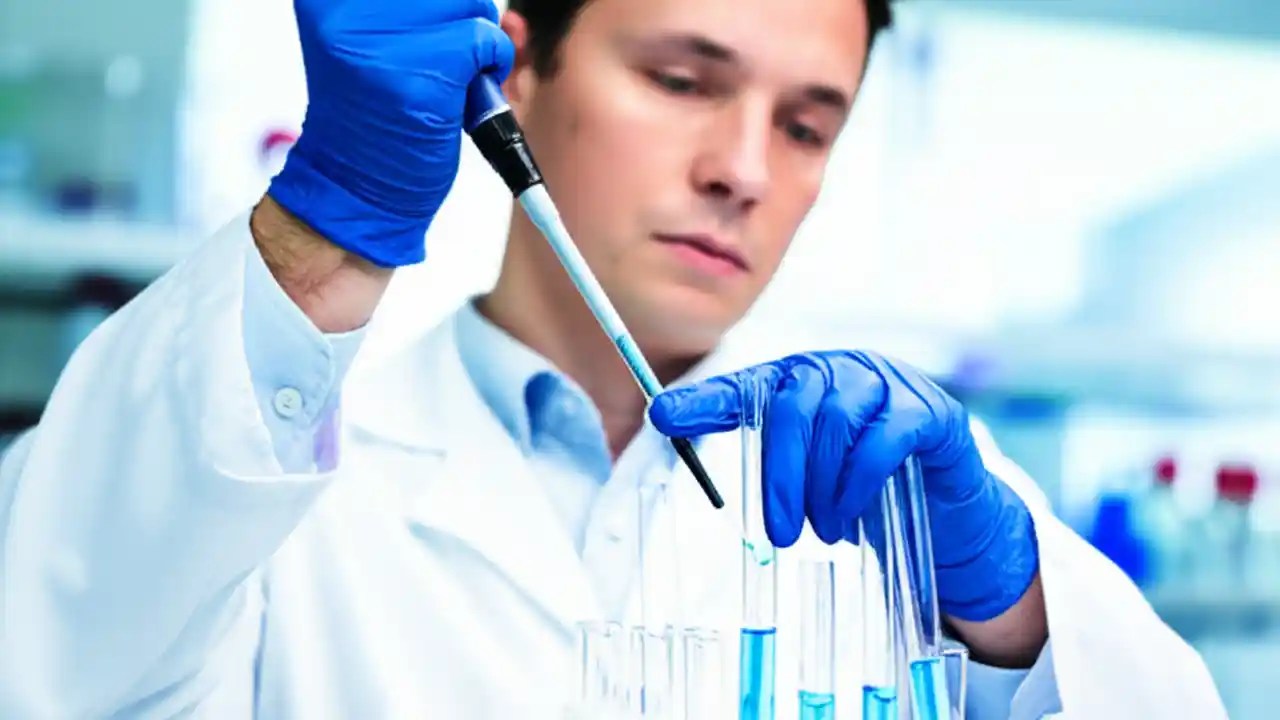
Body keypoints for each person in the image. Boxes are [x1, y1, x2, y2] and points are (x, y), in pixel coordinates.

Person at [0, 0, 1226, 718]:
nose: (743, 169)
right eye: (681, 80)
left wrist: (1018, 616)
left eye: (806, 125)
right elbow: (54, 641)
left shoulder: (912, 512)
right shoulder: (275, 471)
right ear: (515, 68)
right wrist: (329, 222)